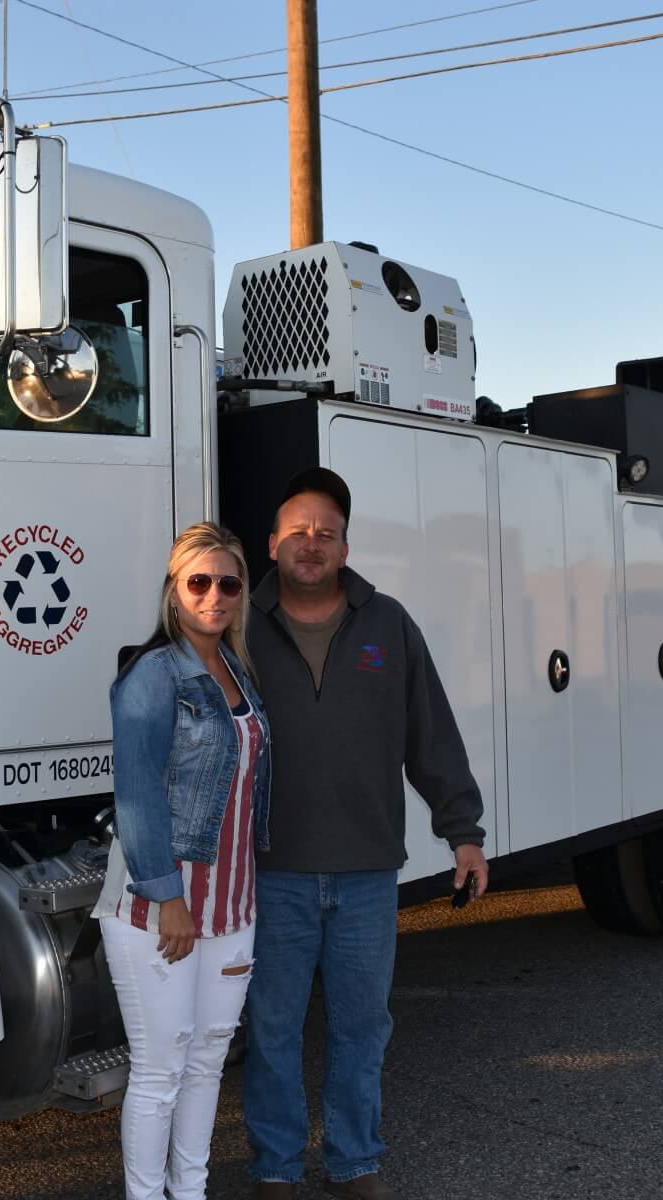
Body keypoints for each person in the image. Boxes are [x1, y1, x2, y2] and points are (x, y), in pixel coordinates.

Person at [242, 468, 489, 1200]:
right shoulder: (240, 626)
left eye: (326, 533)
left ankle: (354, 1162)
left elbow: (432, 737)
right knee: (273, 1031)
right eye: (297, 533)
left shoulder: (389, 625)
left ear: (346, 546)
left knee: (362, 1029)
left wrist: (464, 833)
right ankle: (276, 1167)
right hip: (273, 872)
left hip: (367, 875)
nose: (311, 545)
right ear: (272, 544)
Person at [94, 521, 273, 1200]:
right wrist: (170, 898)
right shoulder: (152, 674)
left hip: (232, 906)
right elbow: (137, 793)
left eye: (228, 583)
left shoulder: (238, 670)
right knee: (161, 1068)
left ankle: (190, 1192)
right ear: (174, 593)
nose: (215, 595)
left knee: (206, 1062)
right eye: (199, 581)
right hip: (156, 906)